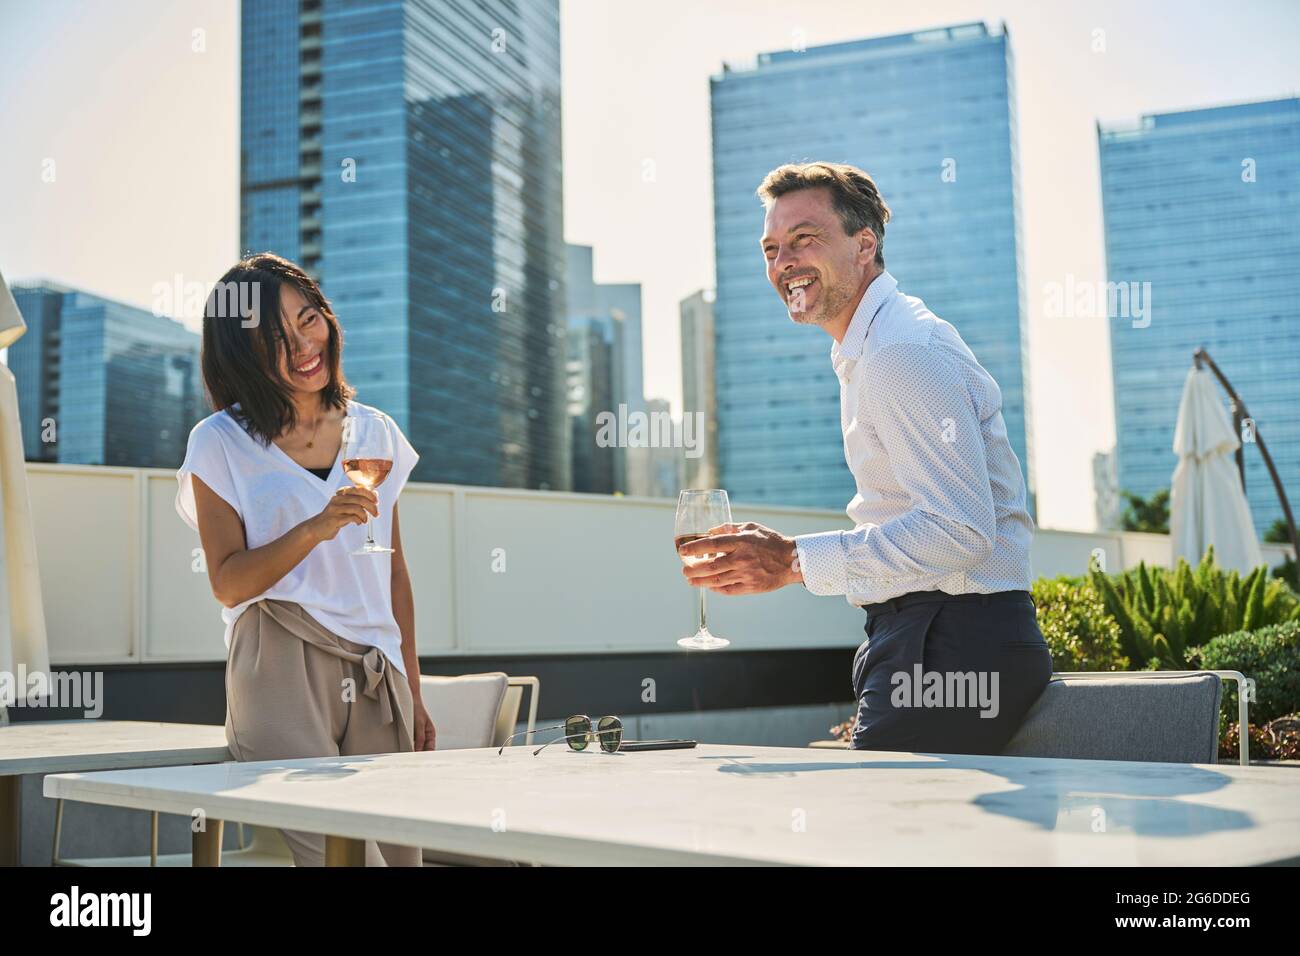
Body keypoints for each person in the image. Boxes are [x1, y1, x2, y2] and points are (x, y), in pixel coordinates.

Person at [678, 162, 1051, 755]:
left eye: (805, 240)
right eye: (772, 250)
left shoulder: (898, 354)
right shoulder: (874, 346)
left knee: (878, 835)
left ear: (864, 245)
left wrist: (793, 560)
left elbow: (960, 530)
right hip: (929, 640)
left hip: (950, 645)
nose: (784, 265)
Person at [175, 252, 434, 866]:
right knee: (340, 860)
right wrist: (315, 527)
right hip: (280, 657)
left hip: (376, 667)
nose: (302, 347)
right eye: (273, 340)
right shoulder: (218, 443)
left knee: (405, 860)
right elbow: (228, 582)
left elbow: (391, 571)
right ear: (242, 356)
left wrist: (414, 689)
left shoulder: (377, 433)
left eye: (309, 319)